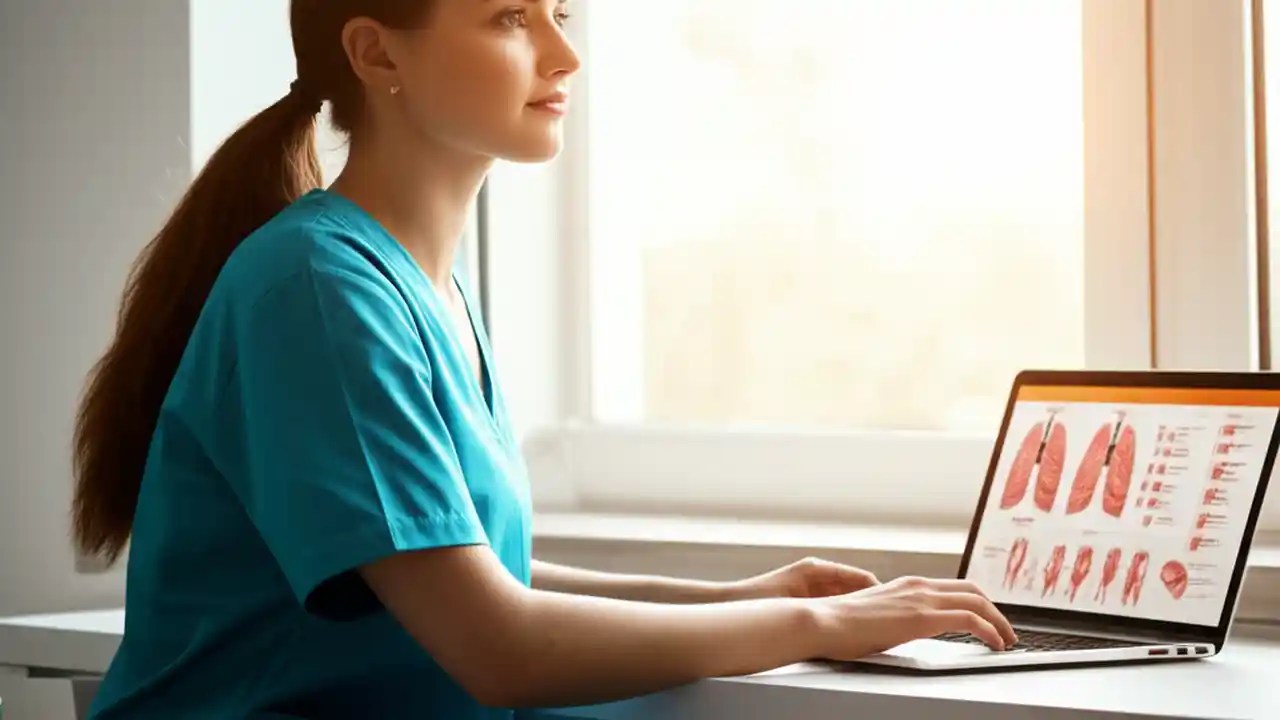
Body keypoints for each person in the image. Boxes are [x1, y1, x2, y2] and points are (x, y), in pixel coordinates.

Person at [71, 1, 1016, 718]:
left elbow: (483, 574)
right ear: (377, 52)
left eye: (560, 12)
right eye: (511, 17)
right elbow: (500, 646)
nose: (566, 52)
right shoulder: (320, 289)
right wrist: (819, 625)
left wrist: (739, 595)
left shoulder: (420, 285)